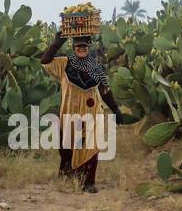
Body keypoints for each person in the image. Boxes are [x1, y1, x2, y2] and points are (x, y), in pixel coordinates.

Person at [40, 31, 123, 193]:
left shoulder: (96, 67)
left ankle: (88, 182)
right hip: (69, 112)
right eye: (78, 46)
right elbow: (45, 61)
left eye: (84, 46)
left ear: (89, 47)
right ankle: (67, 177)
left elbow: (105, 90)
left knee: (91, 147)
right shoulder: (64, 63)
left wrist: (115, 109)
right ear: (73, 47)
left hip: (92, 114)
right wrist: (57, 43)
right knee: (68, 147)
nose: (81, 48)